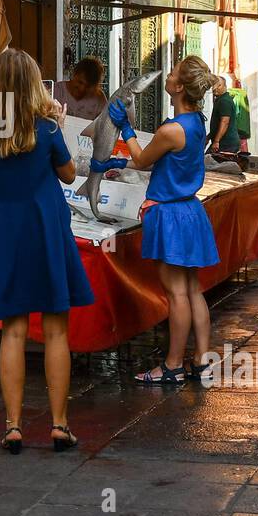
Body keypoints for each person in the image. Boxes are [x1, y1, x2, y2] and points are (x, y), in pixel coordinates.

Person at [0, 48, 94, 454]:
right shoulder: (47, 129)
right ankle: (59, 425)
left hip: (5, 231)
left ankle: (13, 426)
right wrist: (58, 124)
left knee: (13, 330)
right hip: (46, 229)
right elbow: (70, 173)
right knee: (56, 329)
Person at [94, 56, 221, 387]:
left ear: (179, 87)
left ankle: (172, 365)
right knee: (193, 288)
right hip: (190, 210)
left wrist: (125, 129)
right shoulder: (197, 121)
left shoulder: (170, 130)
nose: (169, 75)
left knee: (175, 292)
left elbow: (142, 160)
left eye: (174, 73)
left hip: (170, 214)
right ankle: (202, 360)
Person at [52, 56, 109, 121]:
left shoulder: (99, 98)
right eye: (80, 82)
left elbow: (104, 124)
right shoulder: (56, 90)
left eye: (88, 86)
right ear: (74, 74)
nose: (82, 89)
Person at [209, 75, 241, 155]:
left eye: (219, 85)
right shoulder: (221, 99)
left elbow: (225, 122)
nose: (214, 88)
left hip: (226, 143)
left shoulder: (224, 101)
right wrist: (209, 137)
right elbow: (219, 123)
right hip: (223, 142)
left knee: (210, 164)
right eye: (213, 85)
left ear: (225, 86)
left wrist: (216, 141)